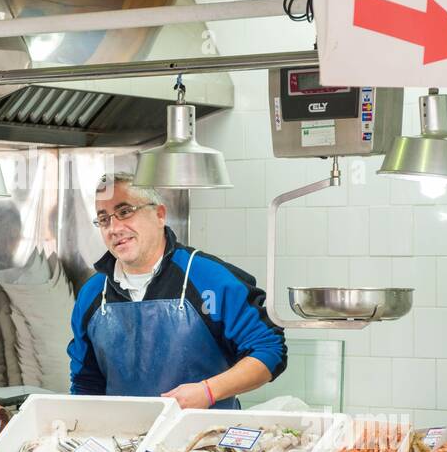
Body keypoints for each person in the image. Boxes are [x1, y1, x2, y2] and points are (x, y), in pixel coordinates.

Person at [68, 173, 287, 408]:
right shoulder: (92, 293)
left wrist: (209, 391)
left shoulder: (209, 278)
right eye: (103, 220)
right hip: (122, 440)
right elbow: (85, 382)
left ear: (160, 214)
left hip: (203, 438)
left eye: (125, 212)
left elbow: (269, 349)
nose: (114, 228)